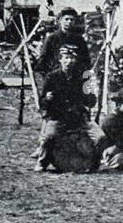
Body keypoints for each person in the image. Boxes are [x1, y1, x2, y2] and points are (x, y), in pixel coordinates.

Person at [35, 44, 104, 172]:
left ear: (75, 60)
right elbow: (42, 103)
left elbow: (91, 102)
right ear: (60, 59)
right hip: (58, 117)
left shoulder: (84, 77)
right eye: (65, 58)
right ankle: (42, 161)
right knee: (49, 136)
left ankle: (94, 163)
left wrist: (91, 92)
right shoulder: (52, 77)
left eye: (71, 58)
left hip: (78, 117)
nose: (68, 61)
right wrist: (47, 99)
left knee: (100, 137)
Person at [35, 8, 90, 79]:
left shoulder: (79, 39)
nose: (69, 22)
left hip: (75, 77)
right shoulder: (52, 38)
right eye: (66, 19)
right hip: (57, 76)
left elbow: (86, 59)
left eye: (72, 19)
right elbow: (43, 60)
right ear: (60, 20)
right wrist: (49, 75)